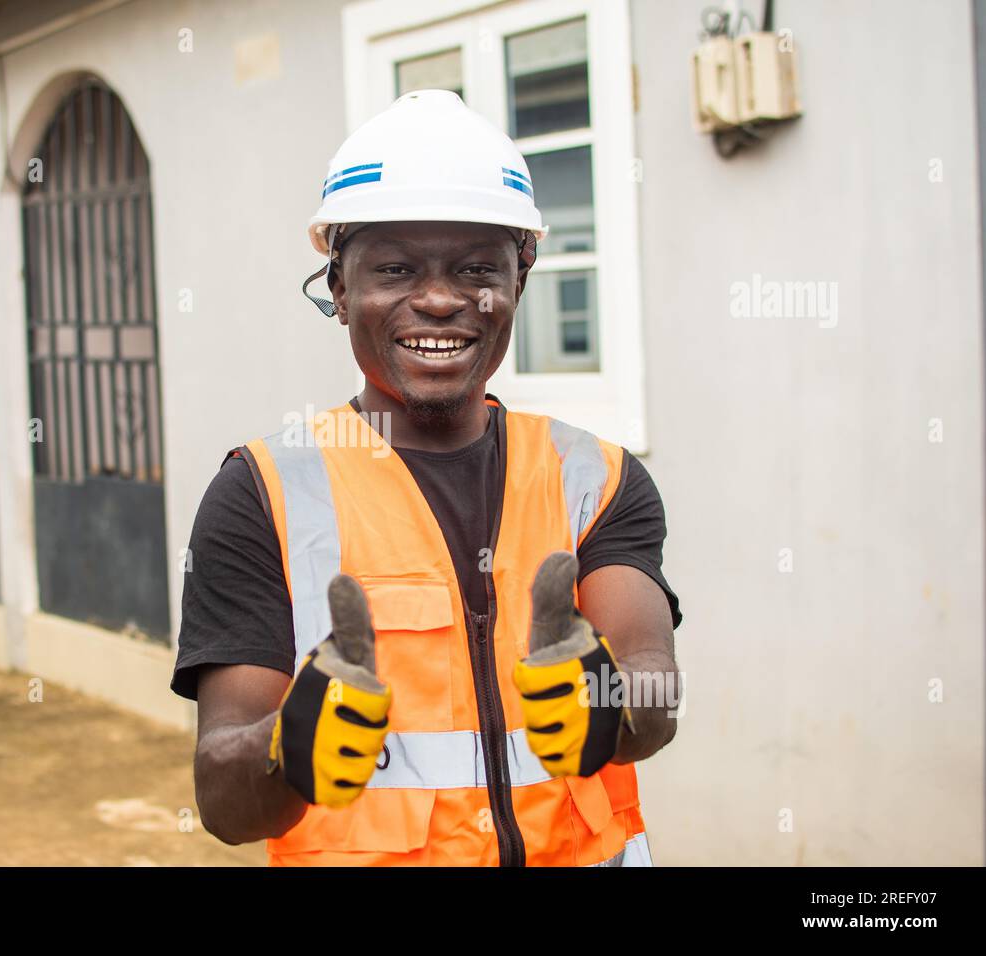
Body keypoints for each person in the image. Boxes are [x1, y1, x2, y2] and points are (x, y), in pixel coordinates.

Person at [171, 90, 682, 866]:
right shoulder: (262, 493)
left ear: (520, 279)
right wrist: (287, 750)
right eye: (396, 269)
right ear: (339, 290)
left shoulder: (596, 477)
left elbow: (656, 684)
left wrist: (610, 702)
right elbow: (223, 800)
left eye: (478, 267)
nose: (442, 300)